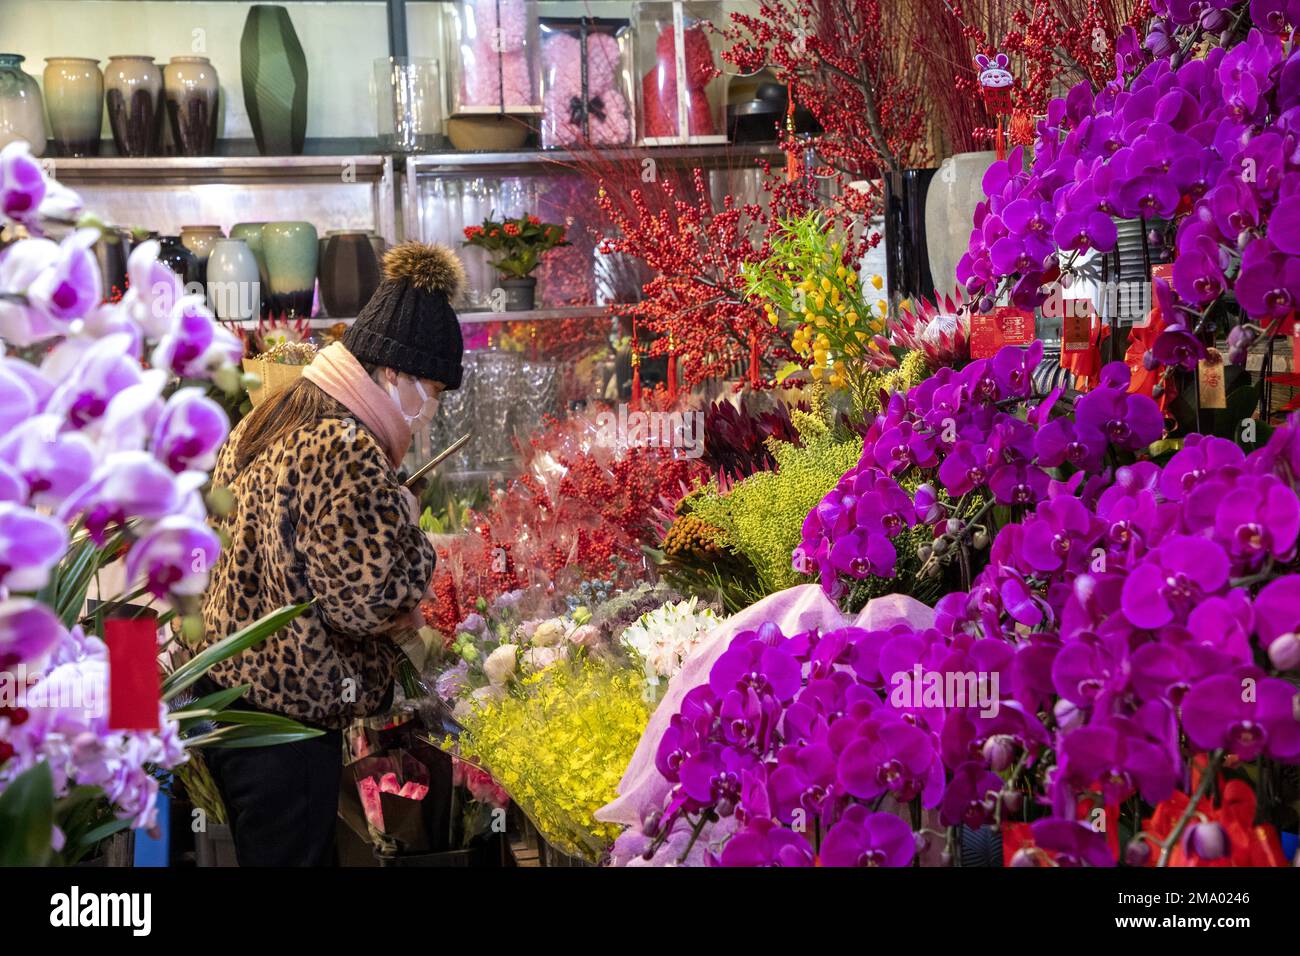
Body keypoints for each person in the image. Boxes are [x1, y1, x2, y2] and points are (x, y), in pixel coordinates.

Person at [197, 241, 465, 866]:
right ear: (390, 375)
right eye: (430, 390)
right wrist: (413, 537)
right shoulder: (344, 445)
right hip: (285, 726)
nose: (431, 411)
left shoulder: (280, 414)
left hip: (238, 705)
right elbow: (370, 601)